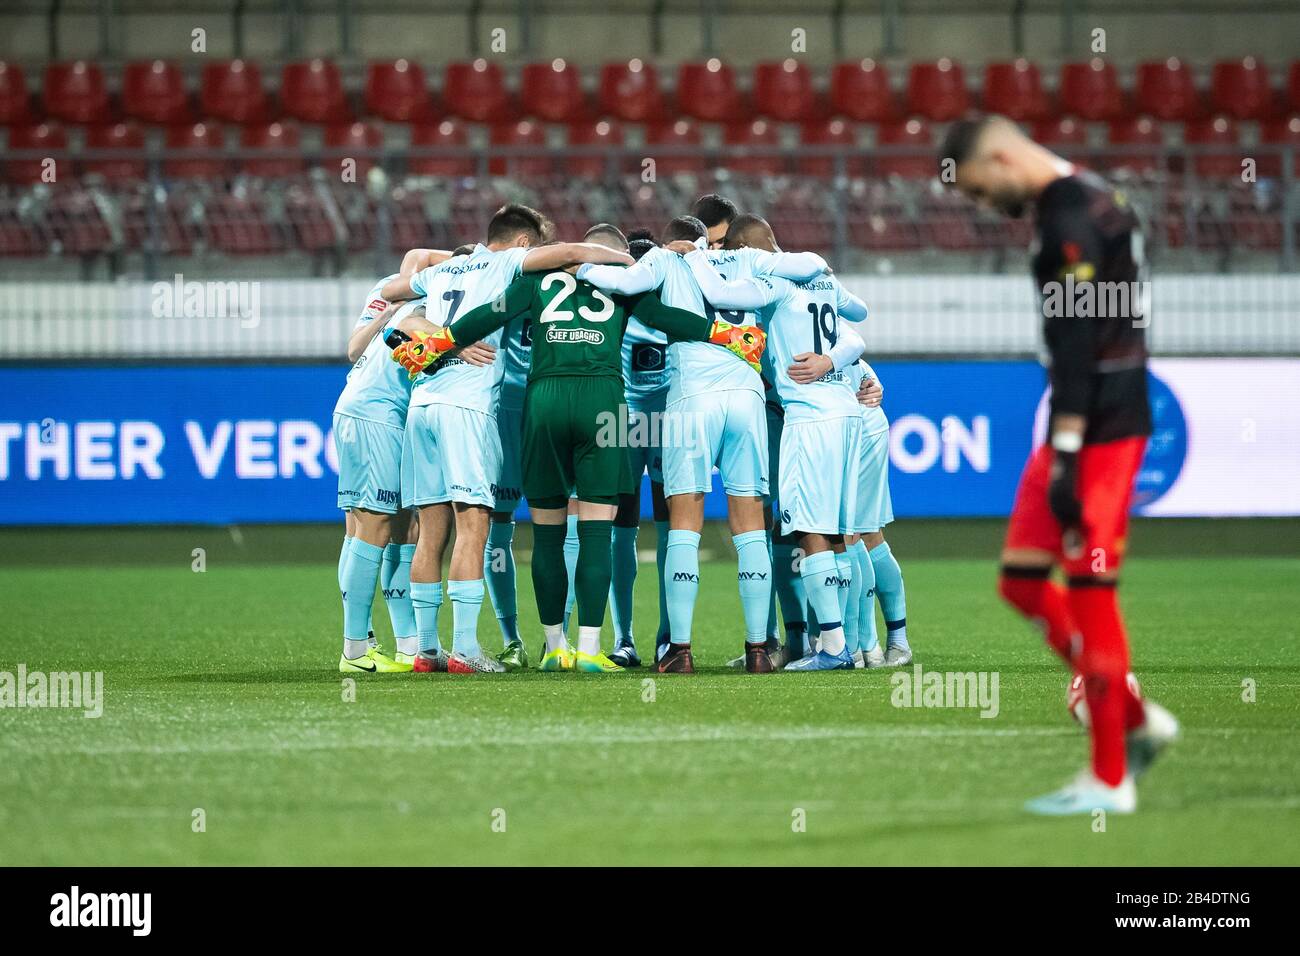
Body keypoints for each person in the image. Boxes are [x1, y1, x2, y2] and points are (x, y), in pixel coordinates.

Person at [392, 223, 765, 673]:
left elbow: (489, 314)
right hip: (602, 404)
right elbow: (670, 319)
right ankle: (590, 649)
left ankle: (554, 647)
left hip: (544, 401)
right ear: (616, 256)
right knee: (595, 532)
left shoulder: (533, 282)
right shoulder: (624, 287)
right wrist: (724, 334)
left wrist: (442, 342)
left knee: (549, 531)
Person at [939, 115, 1178, 814]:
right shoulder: (1094, 198)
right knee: (1019, 582)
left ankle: (1110, 780)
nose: (987, 205)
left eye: (984, 190)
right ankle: (1137, 720)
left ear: (1004, 156)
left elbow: (1078, 341)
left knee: (1092, 595)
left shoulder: (1072, 215)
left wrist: (1068, 449)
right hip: (1080, 423)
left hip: (1100, 430)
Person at [380, 204, 633, 673]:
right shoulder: (509, 264)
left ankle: (425, 651)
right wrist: (633, 261)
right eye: (536, 248)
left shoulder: (446, 267)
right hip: (469, 406)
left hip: (423, 404)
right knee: (474, 525)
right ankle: (465, 650)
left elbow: (391, 296)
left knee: (429, 533)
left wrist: (440, 333)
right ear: (523, 244)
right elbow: (576, 250)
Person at [578, 216, 829, 673]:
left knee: (685, 519)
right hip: (747, 397)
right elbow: (811, 268)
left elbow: (622, 281)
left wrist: (581, 264)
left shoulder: (664, 260)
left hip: (692, 397)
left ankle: (679, 649)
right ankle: (759, 648)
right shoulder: (753, 260)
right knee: (750, 519)